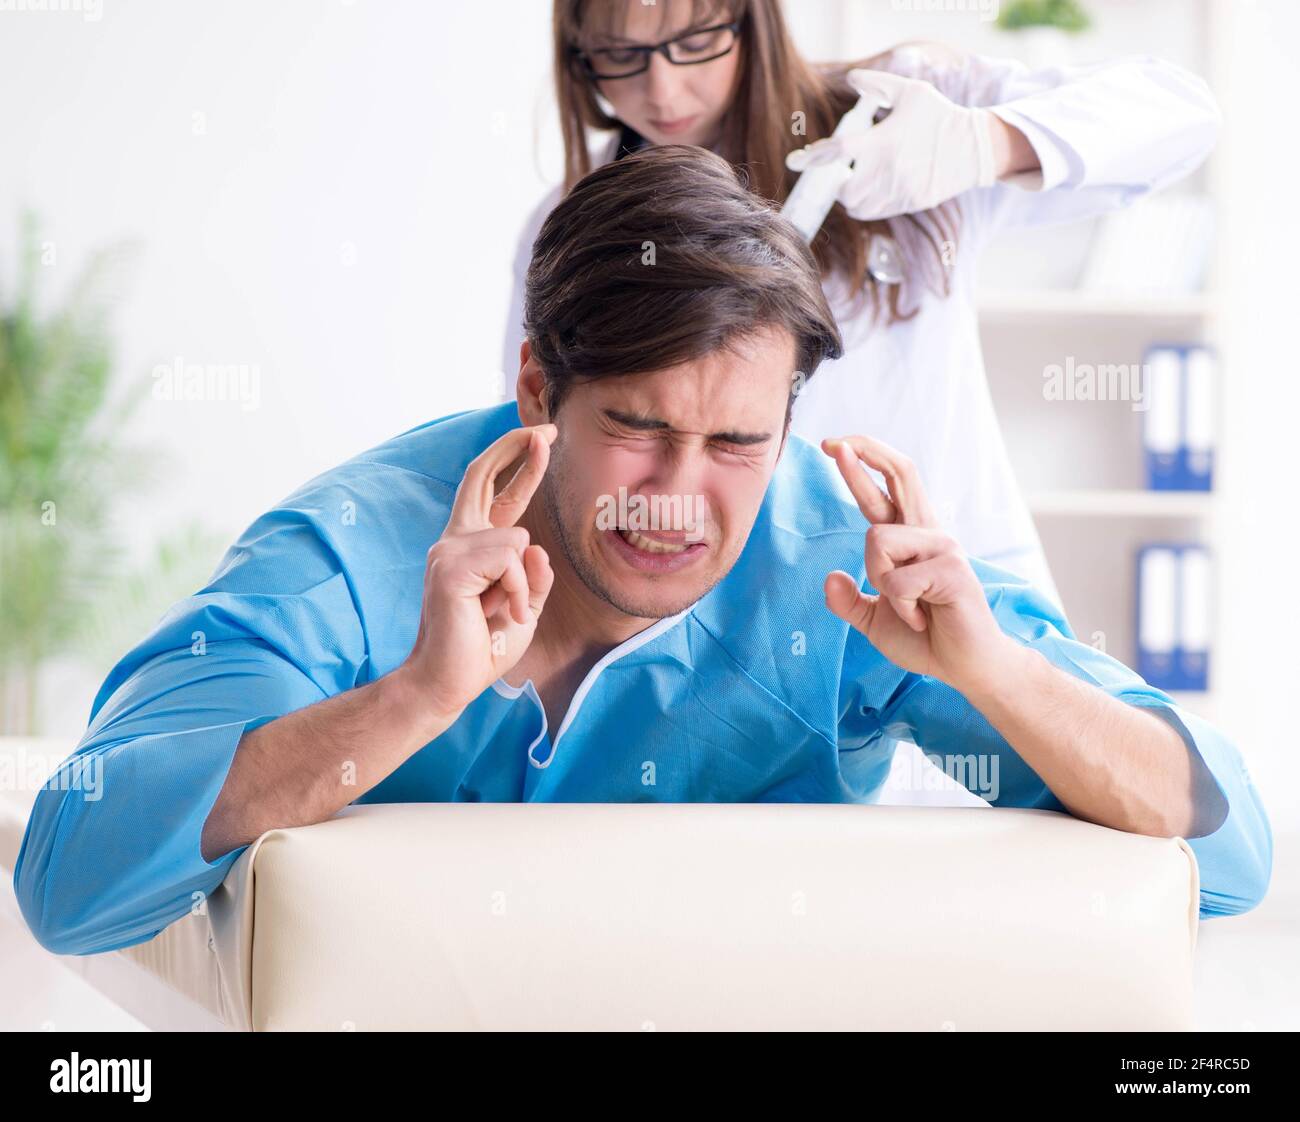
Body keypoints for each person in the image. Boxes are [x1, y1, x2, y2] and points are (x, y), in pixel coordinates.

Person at [14, 146, 1269, 958]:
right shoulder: (349, 555)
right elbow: (70, 874)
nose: (679, 496)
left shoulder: (845, 571)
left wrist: (995, 675)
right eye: (635, 428)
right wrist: (413, 700)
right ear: (535, 389)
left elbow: (1224, 854)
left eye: (735, 441)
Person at [502, 0, 1222, 602]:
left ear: (754, 21)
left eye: (693, 41)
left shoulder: (895, 115)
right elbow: (543, 444)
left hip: (944, 593)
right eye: (618, 55)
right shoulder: (574, 221)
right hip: (722, 631)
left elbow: (1181, 115)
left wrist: (983, 141)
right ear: (576, 58)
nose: (660, 91)